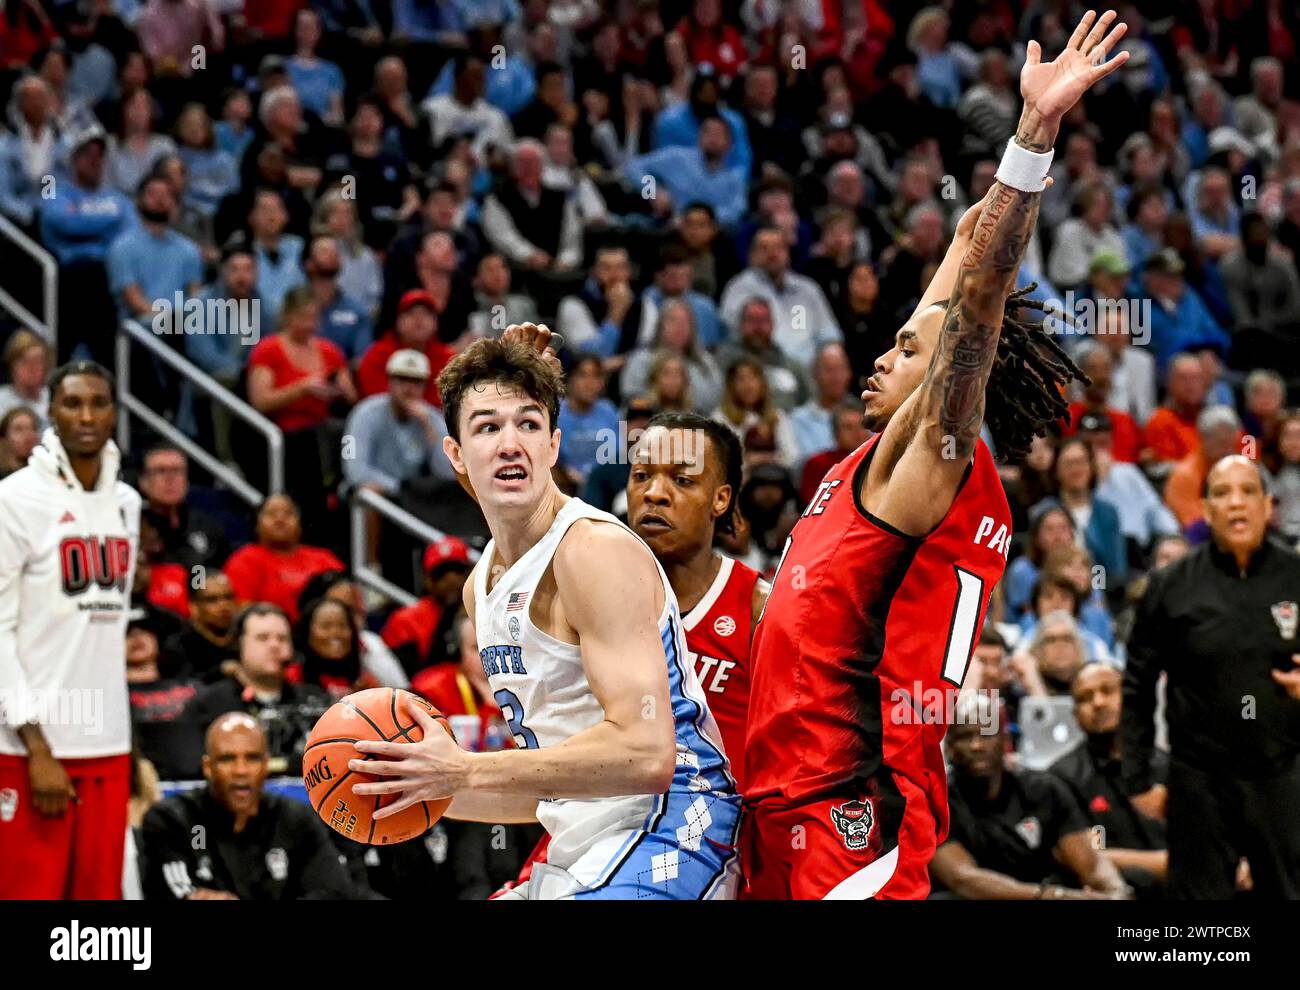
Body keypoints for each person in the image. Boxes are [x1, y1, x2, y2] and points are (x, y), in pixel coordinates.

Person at [741, 12, 1120, 900]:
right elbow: (963, 253)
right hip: (789, 795)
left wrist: (1033, 138)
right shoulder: (882, 459)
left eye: (910, 351)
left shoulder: (939, 454)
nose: (883, 354)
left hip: (850, 800)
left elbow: (978, 301)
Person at [352, 330, 742, 899]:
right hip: (580, 842)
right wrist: (411, 789)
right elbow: (544, 786)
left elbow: (647, 755)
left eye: (529, 424)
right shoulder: (478, 589)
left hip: (677, 827)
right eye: (488, 427)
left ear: (555, 445)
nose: (511, 443)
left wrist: (462, 770)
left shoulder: (592, 551)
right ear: (456, 455)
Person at [1123, 455, 1300, 898]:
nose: (1235, 503)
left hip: (1281, 773)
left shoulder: (1296, 577)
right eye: (1222, 494)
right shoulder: (1171, 586)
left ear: (1267, 505)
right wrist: (1138, 777)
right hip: (1198, 780)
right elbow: (1137, 685)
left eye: (1247, 492)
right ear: (1205, 508)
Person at [0, 361, 141, 898]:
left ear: (114, 411)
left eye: (99, 403)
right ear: (51, 413)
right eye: (72, 403)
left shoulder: (127, 504)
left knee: (96, 915)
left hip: (106, 742)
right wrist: (36, 745)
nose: (87, 416)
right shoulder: (15, 500)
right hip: (28, 750)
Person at [627, 411, 769, 787]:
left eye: (682, 480)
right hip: (606, 824)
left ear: (720, 499)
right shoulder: (593, 589)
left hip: (720, 835)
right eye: (641, 476)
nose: (654, 493)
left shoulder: (759, 608)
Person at [929, 695, 1131, 899]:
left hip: (1042, 889)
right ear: (949, 748)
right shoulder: (934, 802)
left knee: (1137, 879)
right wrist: (1056, 897)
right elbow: (964, 879)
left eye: (987, 734)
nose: (977, 746)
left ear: (1006, 741)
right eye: (965, 736)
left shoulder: (1043, 789)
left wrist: (1114, 891)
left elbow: (1090, 862)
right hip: (990, 898)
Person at [141, 713, 351, 900]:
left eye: (252, 758)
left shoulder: (295, 818)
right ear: (208, 767)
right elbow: (177, 891)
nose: (240, 770)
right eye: (227, 759)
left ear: (266, 765)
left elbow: (331, 889)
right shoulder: (175, 819)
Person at [1048, 663, 1167, 897]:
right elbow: (1079, 857)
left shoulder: (1170, 766)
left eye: (1108, 690)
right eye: (1085, 698)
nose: (1098, 703)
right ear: (1075, 716)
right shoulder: (1061, 778)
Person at [180, 604, 329, 770]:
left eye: (282, 638)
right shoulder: (207, 706)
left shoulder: (313, 701)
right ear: (239, 644)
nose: (274, 645)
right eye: (262, 638)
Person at [342, 348, 456, 498]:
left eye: (416, 381)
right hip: (378, 493)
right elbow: (354, 469)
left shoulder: (432, 418)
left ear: (424, 386)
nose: (408, 388)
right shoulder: (364, 413)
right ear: (389, 381)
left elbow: (450, 475)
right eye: (401, 379)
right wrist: (399, 489)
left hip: (416, 496)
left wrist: (428, 428)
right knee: (369, 492)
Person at [223, 494, 345, 622]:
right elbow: (243, 614)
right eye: (271, 513)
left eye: (288, 513)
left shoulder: (324, 559)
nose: (280, 519)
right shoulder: (243, 560)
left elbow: (349, 605)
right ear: (256, 524)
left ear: (300, 523)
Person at [381, 536, 475, 678]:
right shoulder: (404, 620)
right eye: (441, 573)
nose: (451, 580)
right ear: (427, 580)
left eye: (457, 571)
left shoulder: (482, 612)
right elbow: (409, 678)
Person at [137, 443, 231, 574]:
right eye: (160, 471)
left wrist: (198, 587)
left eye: (177, 471)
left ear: (187, 480)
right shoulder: (133, 526)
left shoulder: (208, 528)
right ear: (143, 482)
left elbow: (215, 580)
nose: (170, 479)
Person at [161, 572, 237, 682]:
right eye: (212, 600)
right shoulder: (178, 647)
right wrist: (220, 672)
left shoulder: (243, 637)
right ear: (193, 606)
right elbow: (182, 688)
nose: (224, 606)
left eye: (228, 597)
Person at [0, 329, 51, 428]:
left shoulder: (54, 400)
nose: (32, 368)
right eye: (25, 361)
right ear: (12, 365)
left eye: (37, 361)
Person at [0, 406, 40, 479]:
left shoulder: (45, 471)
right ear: (3, 439)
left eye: (33, 428)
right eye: (19, 429)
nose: (28, 435)